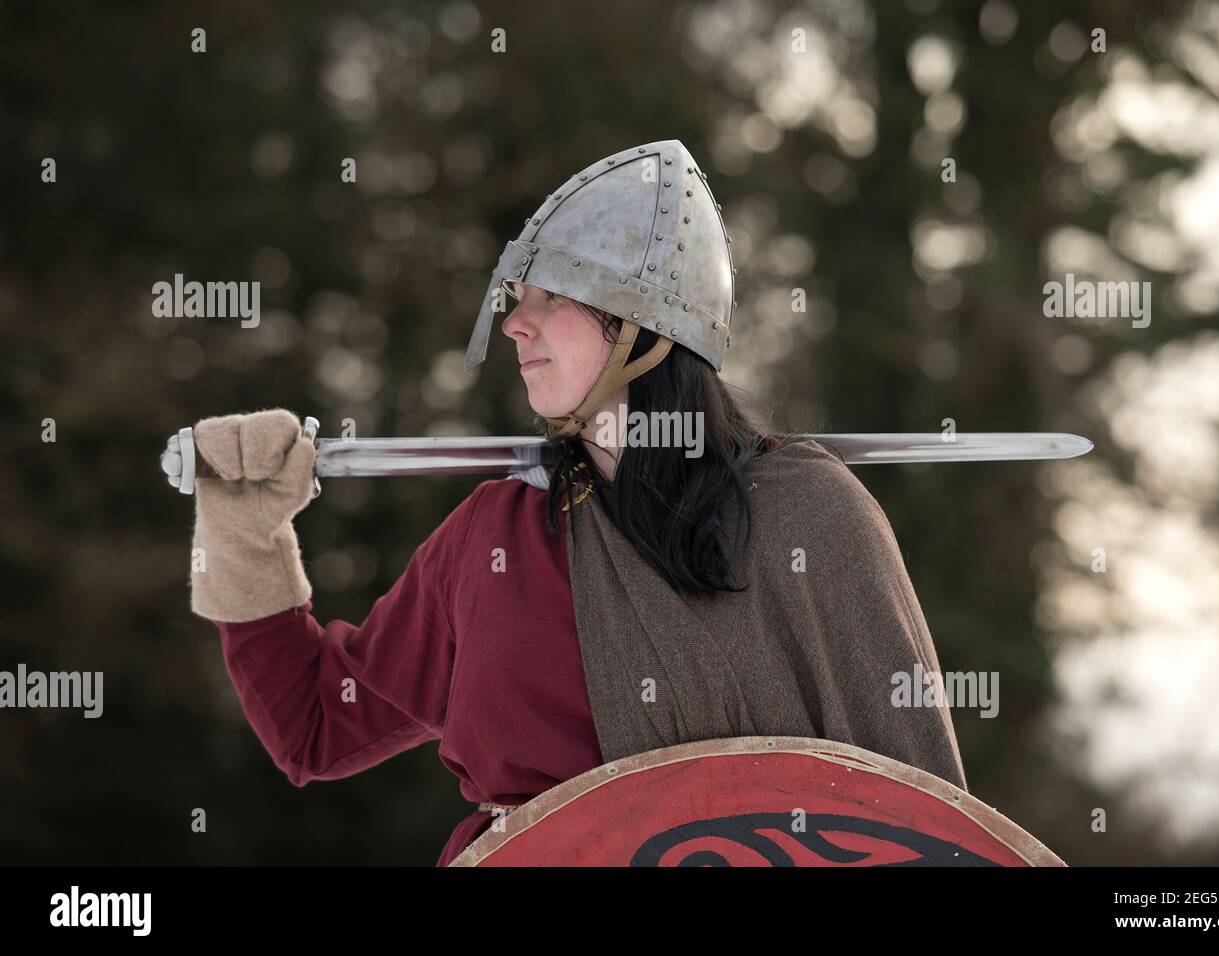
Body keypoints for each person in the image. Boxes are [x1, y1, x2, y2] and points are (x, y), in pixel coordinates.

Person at [187, 140, 966, 867]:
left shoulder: (809, 517)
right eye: (515, 297)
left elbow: (921, 827)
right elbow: (316, 726)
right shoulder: (493, 537)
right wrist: (243, 528)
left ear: (644, 320)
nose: (514, 324)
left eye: (551, 294)